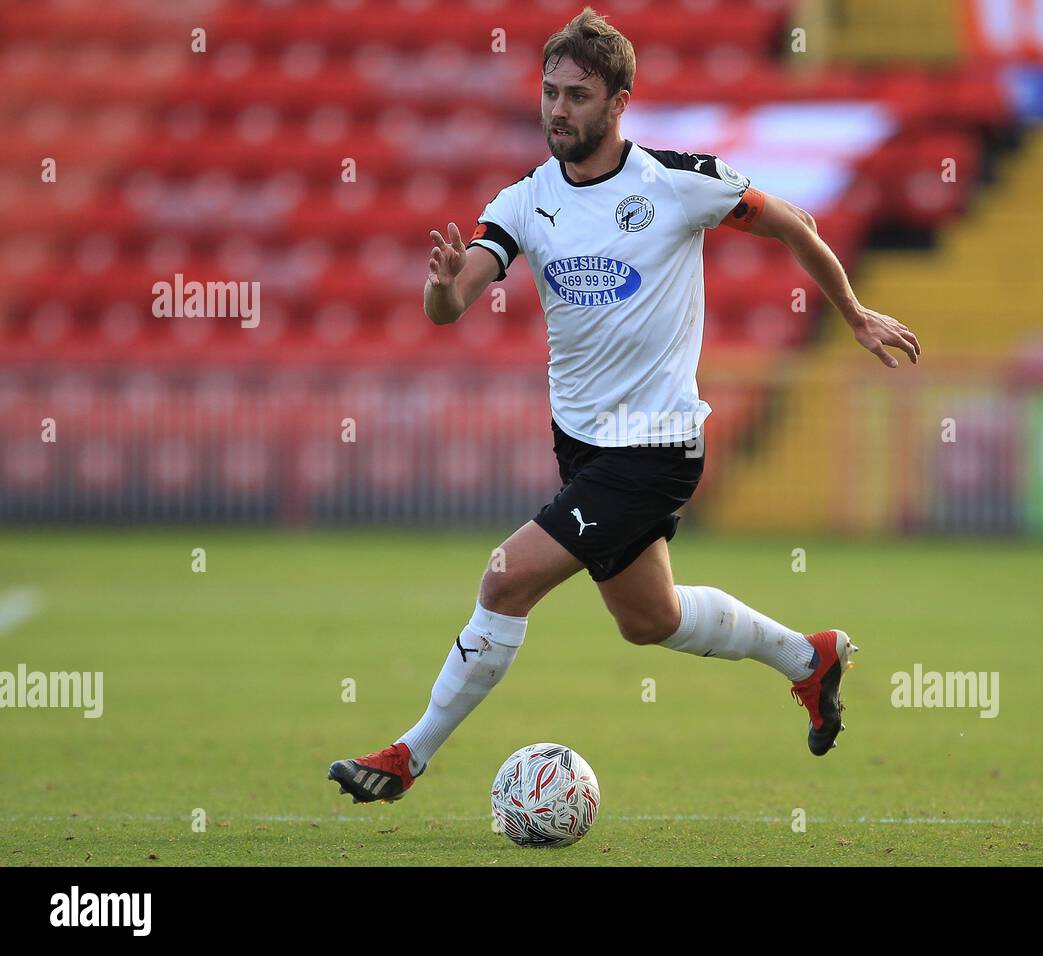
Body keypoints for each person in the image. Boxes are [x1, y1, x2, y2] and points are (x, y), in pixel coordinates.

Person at [329, 6, 919, 804]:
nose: (558, 110)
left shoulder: (671, 183)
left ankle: (410, 754)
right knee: (650, 619)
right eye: (549, 93)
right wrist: (439, 289)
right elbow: (456, 297)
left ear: (616, 102)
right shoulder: (526, 200)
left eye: (576, 95)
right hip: (583, 445)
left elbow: (793, 222)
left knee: (504, 579)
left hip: (655, 446)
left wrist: (852, 313)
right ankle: (808, 660)